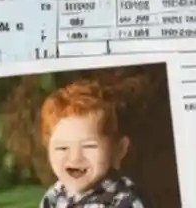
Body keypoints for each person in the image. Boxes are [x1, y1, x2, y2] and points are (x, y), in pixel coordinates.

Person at [38, 79, 149, 208]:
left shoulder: (124, 201)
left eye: (88, 146)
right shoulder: (53, 197)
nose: (75, 158)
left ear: (119, 150)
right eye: (62, 148)